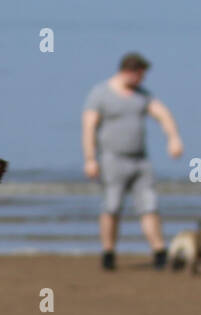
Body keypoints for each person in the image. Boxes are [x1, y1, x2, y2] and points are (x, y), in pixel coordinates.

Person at [82, 52, 184, 271]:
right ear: (130, 72)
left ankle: (159, 251)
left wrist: (173, 138)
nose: (143, 80)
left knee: (149, 206)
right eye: (141, 75)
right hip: (112, 160)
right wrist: (90, 159)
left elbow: (163, 114)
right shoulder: (100, 94)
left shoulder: (142, 95)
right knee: (112, 206)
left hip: (140, 161)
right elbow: (89, 126)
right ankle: (108, 252)